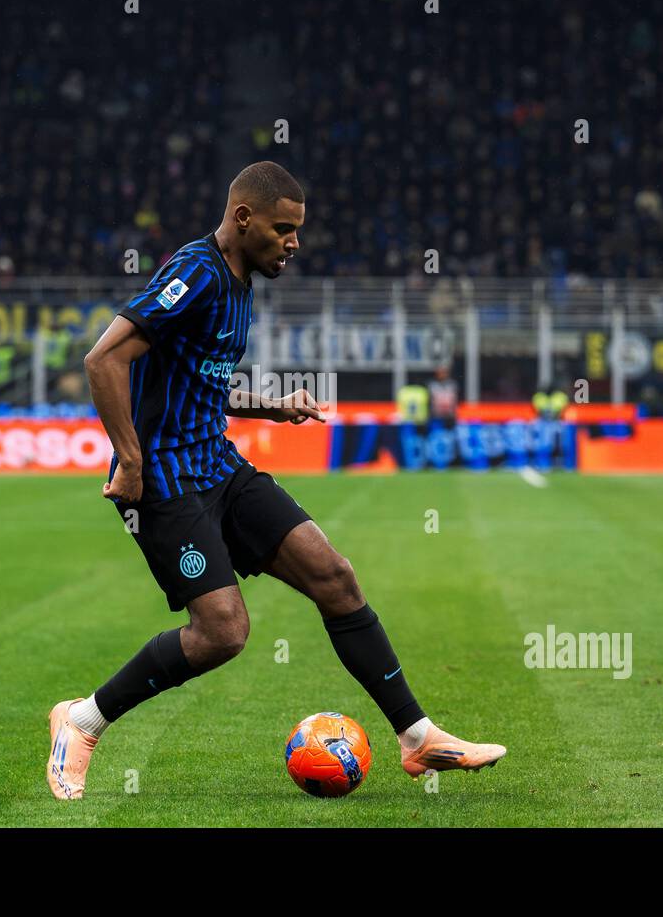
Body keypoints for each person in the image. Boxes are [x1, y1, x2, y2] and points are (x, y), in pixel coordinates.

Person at [47, 161, 505, 800]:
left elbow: (199, 381)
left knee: (335, 577)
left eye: (298, 230)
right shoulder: (195, 273)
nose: (294, 243)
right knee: (223, 633)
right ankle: (82, 719)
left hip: (218, 464)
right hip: (166, 483)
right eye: (283, 229)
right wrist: (129, 458)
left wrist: (269, 405)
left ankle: (417, 737)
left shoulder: (240, 281)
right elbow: (104, 359)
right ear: (242, 219)